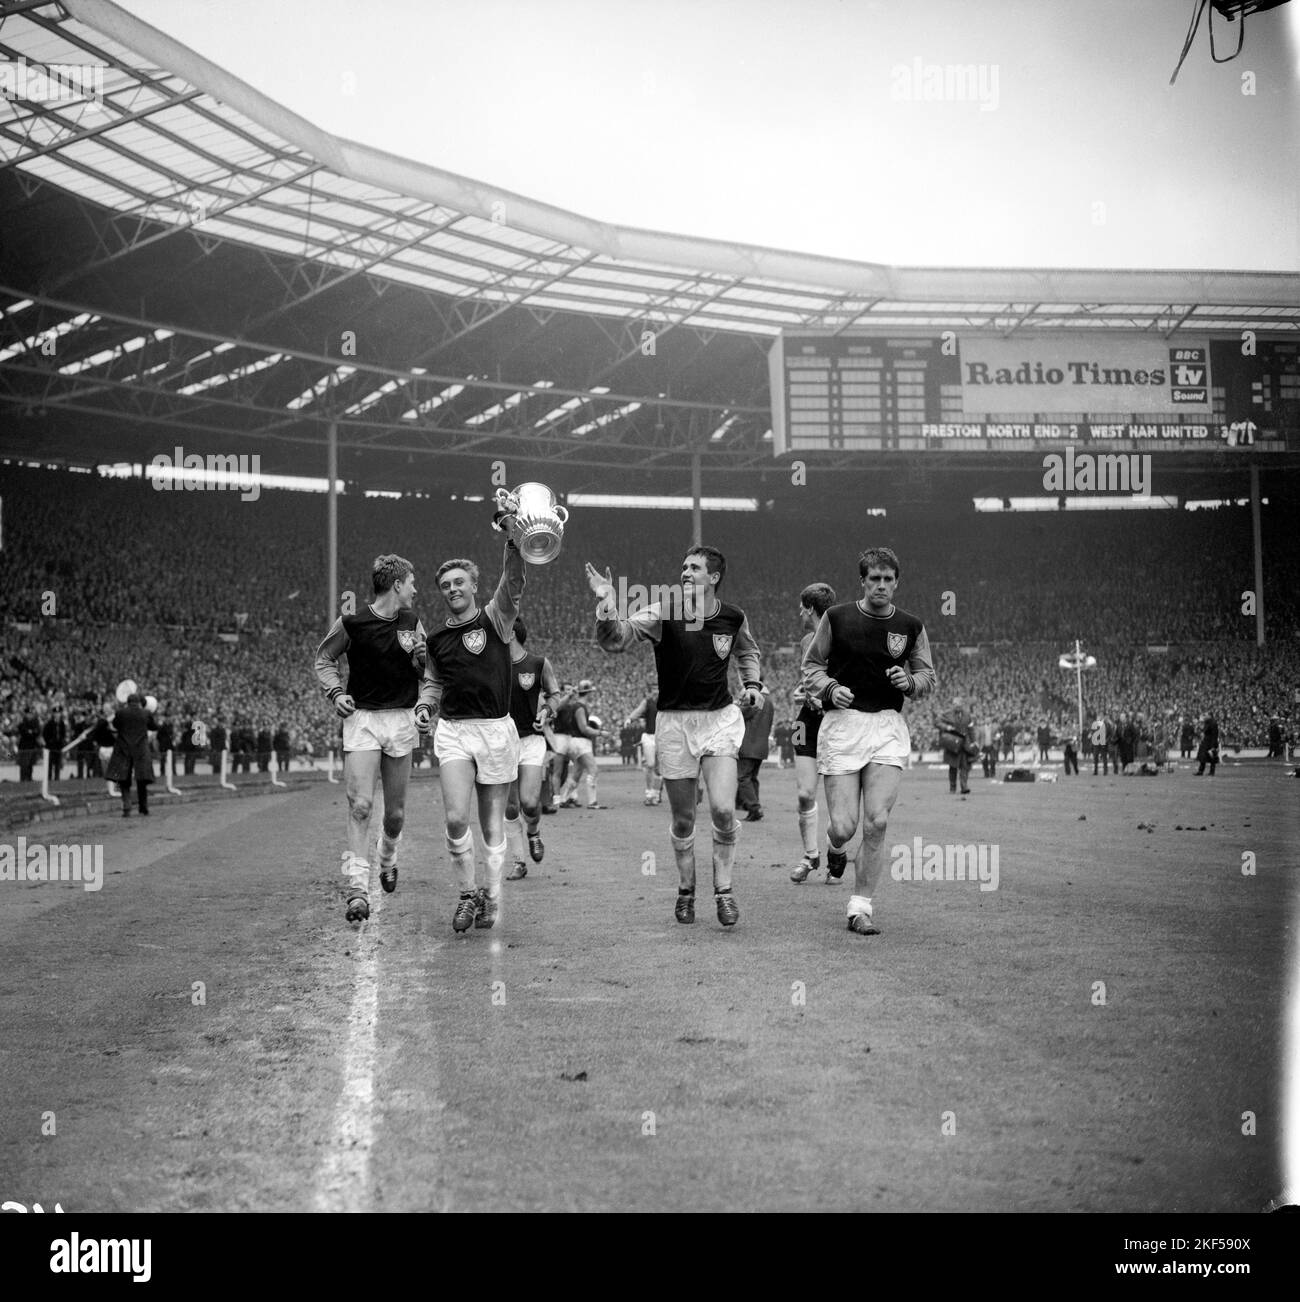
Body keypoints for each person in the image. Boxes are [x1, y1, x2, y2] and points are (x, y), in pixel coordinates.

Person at [588, 545, 765, 929]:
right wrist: (606, 604)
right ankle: (686, 890)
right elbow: (615, 639)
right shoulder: (661, 612)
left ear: (713, 577)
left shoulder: (733, 617)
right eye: (684, 566)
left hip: (718, 720)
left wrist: (753, 685)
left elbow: (748, 652)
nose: (686, 572)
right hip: (673, 725)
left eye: (695, 568)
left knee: (721, 808)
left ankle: (725, 890)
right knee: (684, 819)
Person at [802, 546, 936, 936]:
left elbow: (927, 676)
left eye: (888, 579)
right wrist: (830, 688)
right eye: (874, 579)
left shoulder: (911, 626)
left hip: (887, 727)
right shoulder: (837, 617)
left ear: (897, 583)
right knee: (844, 826)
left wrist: (910, 682)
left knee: (877, 821)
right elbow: (811, 666)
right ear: (862, 581)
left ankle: (860, 908)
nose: (881, 585)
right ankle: (836, 846)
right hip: (843, 725)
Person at [416, 524, 527, 933]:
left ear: (475, 586)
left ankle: (492, 895)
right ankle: (467, 895)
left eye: (459, 581)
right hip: (455, 732)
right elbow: (433, 681)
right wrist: (426, 706)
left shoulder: (497, 618)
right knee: (455, 818)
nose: (451, 589)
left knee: (493, 824)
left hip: (495, 731)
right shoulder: (438, 638)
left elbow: (513, 582)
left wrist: (514, 539)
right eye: (445, 585)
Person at [314, 553, 427, 924]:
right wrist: (335, 692)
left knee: (394, 815)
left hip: (401, 719)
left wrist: (423, 670)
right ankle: (357, 890)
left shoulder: (413, 622)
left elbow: (428, 670)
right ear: (397, 584)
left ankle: (388, 855)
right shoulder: (352, 622)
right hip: (362, 719)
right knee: (360, 806)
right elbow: (324, 659)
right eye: (412, 581)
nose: (415, 588)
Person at [504, 618, 561, 880]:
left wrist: (547, 711)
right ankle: (518, 861)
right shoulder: (492, 665)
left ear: (512, 632)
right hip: (501, 742)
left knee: (528, 802)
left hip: (530, 740)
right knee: (510, 808)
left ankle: (534, 831)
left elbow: (554, 694)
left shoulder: (538, 664)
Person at [790, 581, 836, 883]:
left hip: (835, 720)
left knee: (837, 800)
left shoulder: (844, 636)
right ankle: (810, 856)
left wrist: (826, 696)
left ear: (809, 608)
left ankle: (836, 854)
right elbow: (808, 678)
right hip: (804, 721)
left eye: (801, 608)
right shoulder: (807, 640)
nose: (799, 613)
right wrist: (804, 692)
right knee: (805, 793)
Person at [105, 692, 156, 816]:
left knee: (124, 779)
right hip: (141, 749)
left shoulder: (121, 713)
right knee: (142, 780)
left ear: (127, 702)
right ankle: (143, 807)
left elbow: (115, 726)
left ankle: (127, 806)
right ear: (138, 702)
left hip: (124, 748)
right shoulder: (146, 713)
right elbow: (153, 726)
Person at [557, 680, 604, 809]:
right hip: (580, 742)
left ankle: (564, 798)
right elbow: (584, 728)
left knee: (577, 772)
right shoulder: (580, 707)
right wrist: (600, 733)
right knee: (593, 770)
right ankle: (592, 802)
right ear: (588, 693)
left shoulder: (574, 706)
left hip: (575, 741)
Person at [735, 689, 774, 821]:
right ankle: (753, 809)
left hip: (748, 745)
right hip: (761, 745)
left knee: (742, 777)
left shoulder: (753, 697)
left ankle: (754, 807)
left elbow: (741, 714)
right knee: (752, 778)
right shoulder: (769, 701)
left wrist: (737, 705)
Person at [626, 680, 663, 805]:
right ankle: (649, 793)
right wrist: (630, 719)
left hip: (662, 738)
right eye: (653, 689)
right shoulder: (647, 702)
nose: (655, 691)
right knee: (650, 764)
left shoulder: (667, 701)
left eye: (657, 688)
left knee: (660, 770)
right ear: (650, 691)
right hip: (649, 736)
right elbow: (638, 711)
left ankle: (656, 794)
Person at [938, 696, 974, 795]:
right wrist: (946, 727)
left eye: (959, 705)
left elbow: (971, 729)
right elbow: (937, 722)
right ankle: (952, 788)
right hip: (952, 744)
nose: (957, 707)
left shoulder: (968, 715)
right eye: (955, 705)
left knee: (964, 767)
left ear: (962, 705)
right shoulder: (947, 714)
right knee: (953, 767)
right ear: (953, 705)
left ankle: (964, 787)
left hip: (964, 745)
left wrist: (974, 742)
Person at [43, 705, 68, 784]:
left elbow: (63, 734)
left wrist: (62, 742)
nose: (57, 715)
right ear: (53, 714)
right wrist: (50, 742)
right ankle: (49, 779)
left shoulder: (62, 723)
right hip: (51, 747)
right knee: (50, 764)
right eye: (56, 713)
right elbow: (45, 734)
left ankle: (57, 778)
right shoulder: (49, 723)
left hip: (58, 746)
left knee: (58, 764)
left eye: (59, 713)